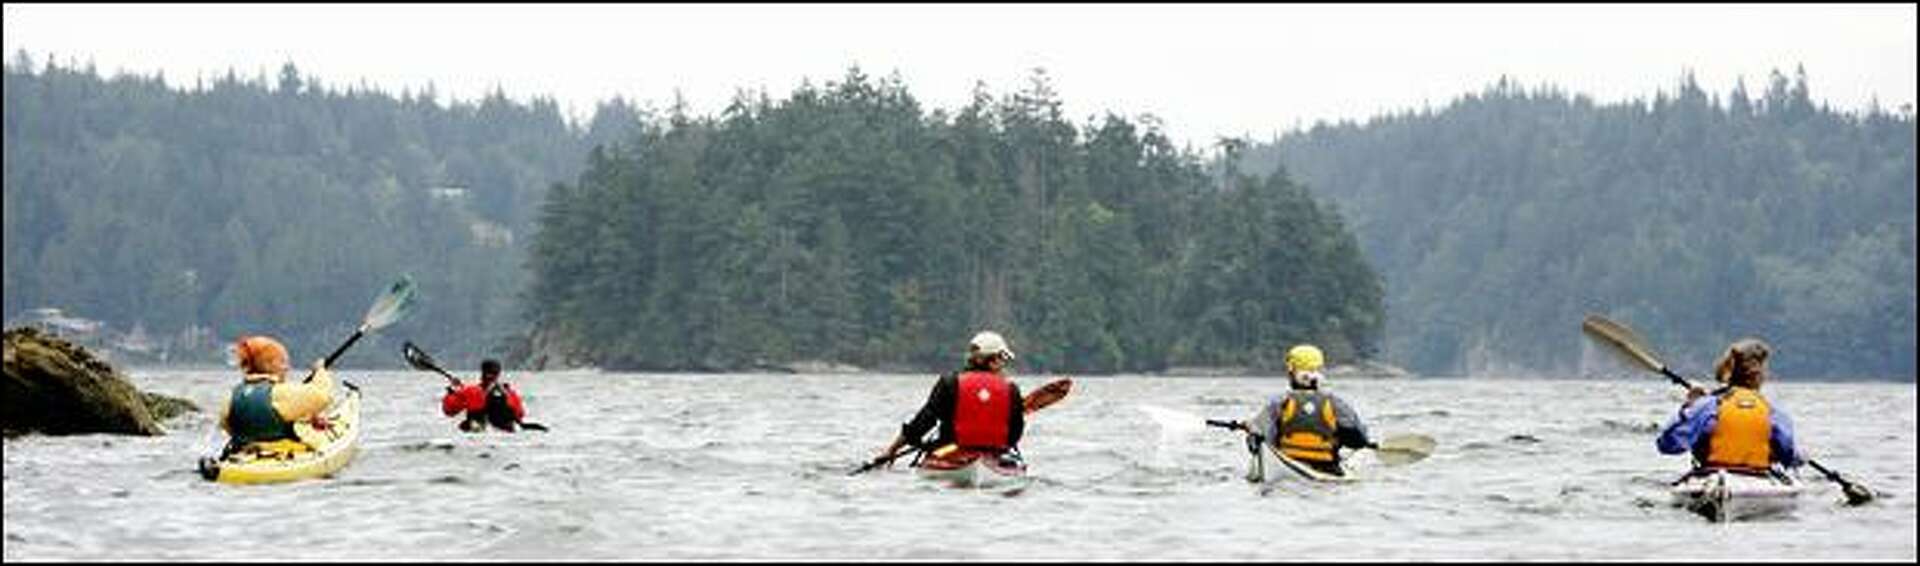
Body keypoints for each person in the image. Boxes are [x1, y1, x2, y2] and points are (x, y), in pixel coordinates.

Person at [873, 331, 1025, 467]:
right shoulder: (1012, 389)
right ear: (993, 360)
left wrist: (892, 449)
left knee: (939, 449)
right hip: (996, 455)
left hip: (952, 450)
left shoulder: (950, 383)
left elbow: (923, 422)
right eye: (1002, 358)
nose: (1003, 364)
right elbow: (1015, 433)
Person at [1656, 338, 1802, 474]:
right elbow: (1789, 456)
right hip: (1758, 477)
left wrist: (1689, 405)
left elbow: (1667, 445)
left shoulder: (1707, 405)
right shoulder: (1772, 412)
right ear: (1759, 375)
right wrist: (1801, 457)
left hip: (1711, 474)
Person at [1247, 344, 1373, 476]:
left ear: (1291, 372)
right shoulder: (1337, 404)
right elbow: (1358, 440)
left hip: (1288, 463)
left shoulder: (1279, 402)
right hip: (1329, 469)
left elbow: (1259, 436)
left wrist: (1252, 432)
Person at [219, 335, 336, 453]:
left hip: (245, 453)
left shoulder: (233, 395)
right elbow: (323, 396)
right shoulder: (282, 393)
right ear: (268, 365)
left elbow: (226, 425)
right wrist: (320, 371)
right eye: (282, 362)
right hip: (281, 454)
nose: (287, 368)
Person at [442, 359, 527, 432]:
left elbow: (449, 410)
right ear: (498, 374)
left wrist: (452, 391)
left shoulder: (471, 391)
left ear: (482, 373)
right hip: (506, 431)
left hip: (479, 430)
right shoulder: (511, 394)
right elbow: (520, 415)